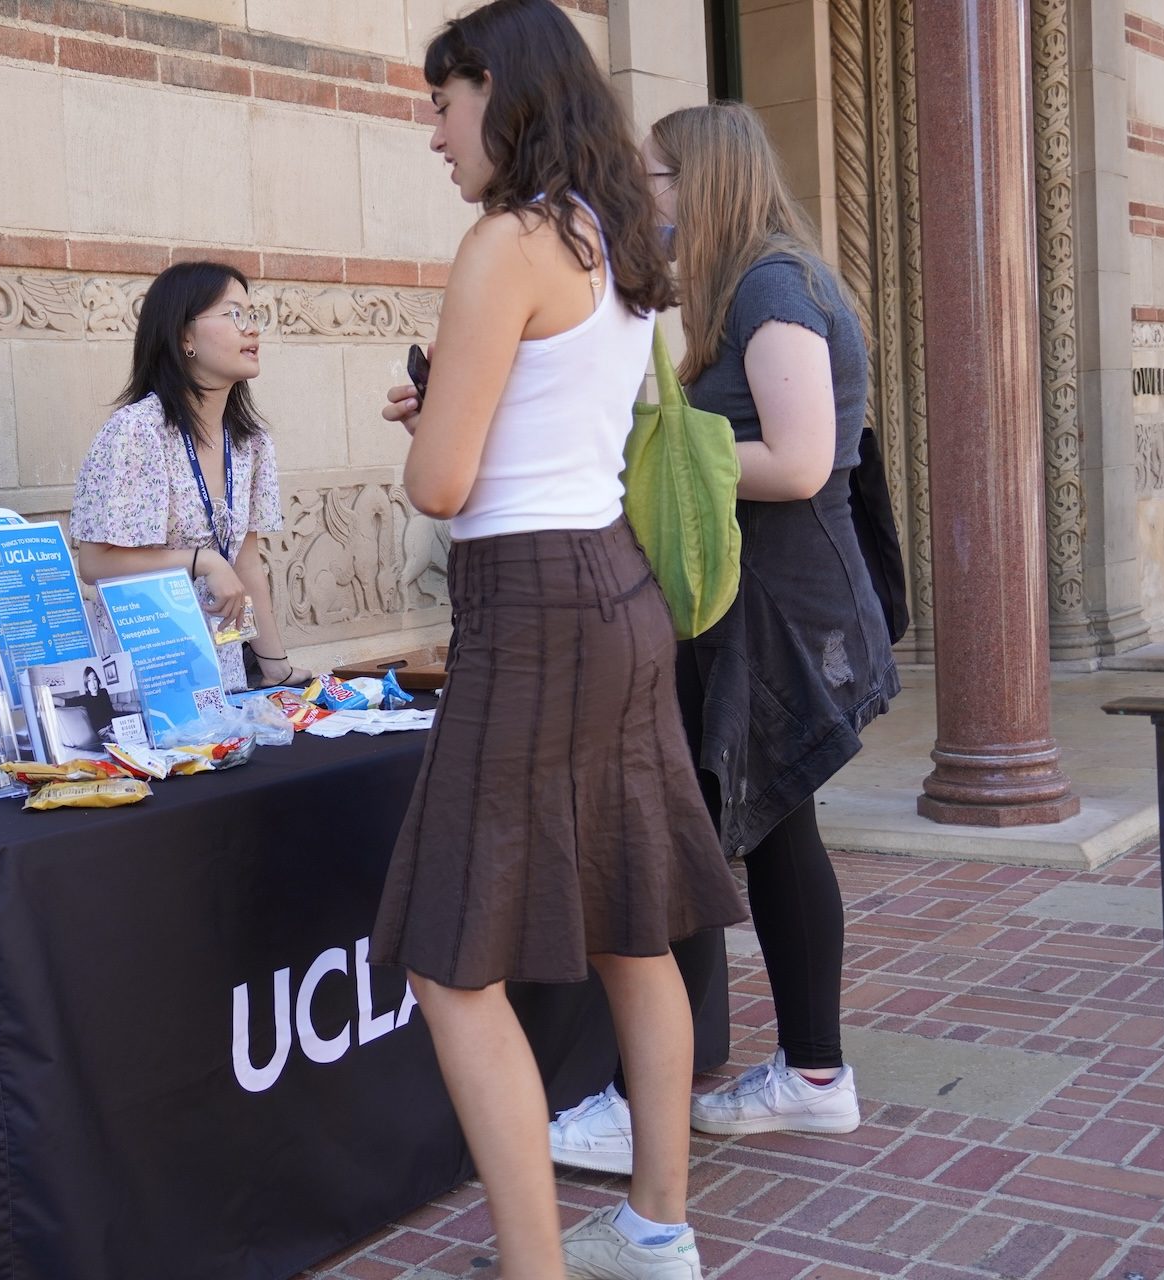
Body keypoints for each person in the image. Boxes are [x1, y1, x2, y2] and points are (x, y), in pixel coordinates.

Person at [369, 3, 747, 1277]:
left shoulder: (505, 243)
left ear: (501, 89)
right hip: (616, 593)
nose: (433, 132)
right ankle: (657, 1226)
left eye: (443, 99)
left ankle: (536, 1265)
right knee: (632, 923)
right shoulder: (609, 230)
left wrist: (429, 421)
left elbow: (440, 484)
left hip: (530, 608)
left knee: (448, 956)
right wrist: (459, 403)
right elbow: (542, 409)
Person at [548, 102, 900, 1169]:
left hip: (784, 613)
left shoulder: (770, 286)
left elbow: (799, 460)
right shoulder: (757, 284)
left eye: (656, 176)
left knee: (701, 828)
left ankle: (659, 1094)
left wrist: (652, 453)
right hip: (764, 609)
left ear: (704, 180)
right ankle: (802, 1072)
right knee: (746, 826)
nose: (644, 195)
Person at [71, 261, 312, 691]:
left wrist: (276, 666)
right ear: (185, 337)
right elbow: (94, 564)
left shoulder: (251, 442)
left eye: (253, 316)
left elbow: (246, 562)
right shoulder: (136, 431)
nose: (252, 329)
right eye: (234, 314)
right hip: (148, 675)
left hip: (226, 680)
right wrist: (201, 560)